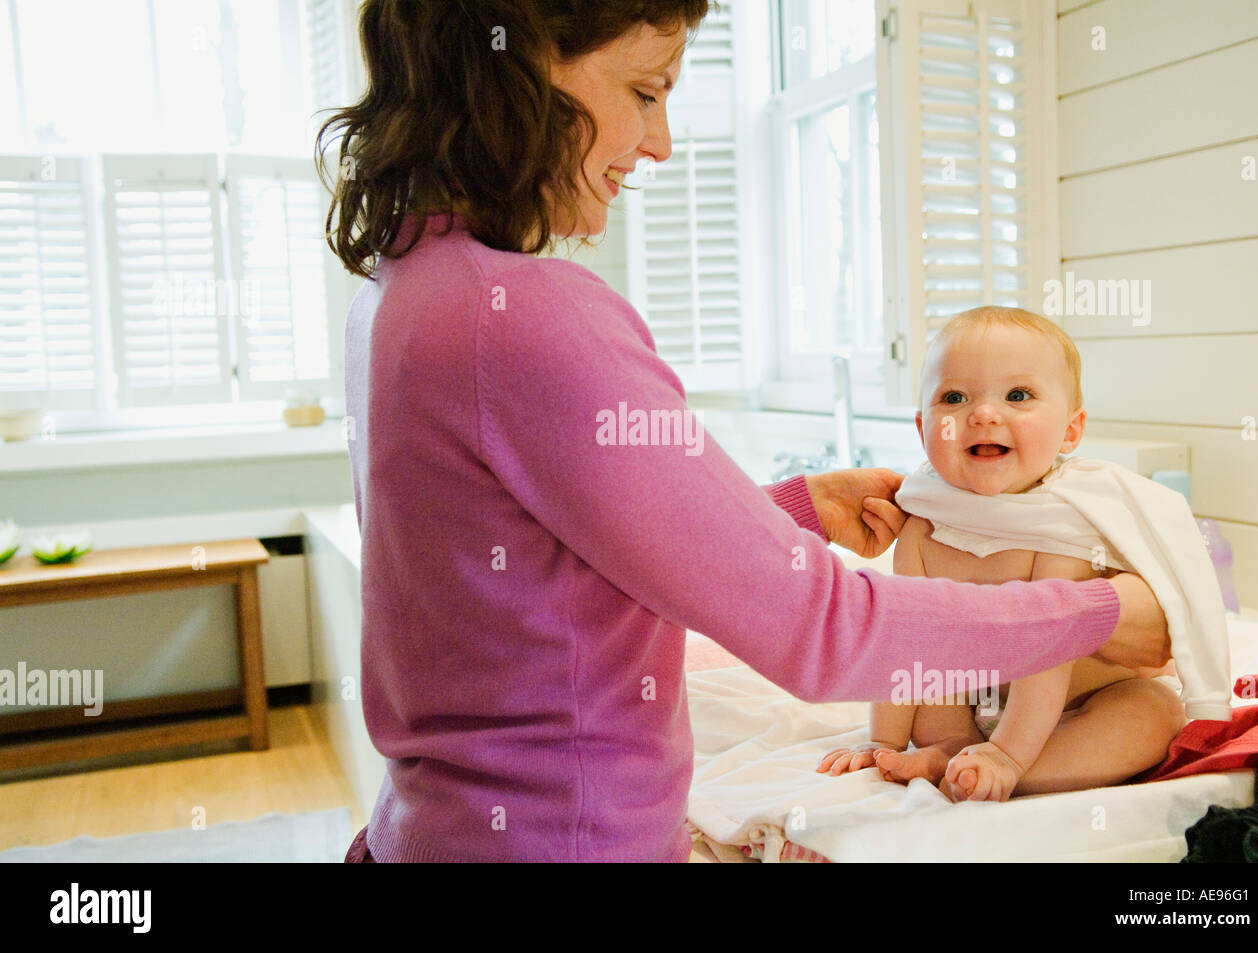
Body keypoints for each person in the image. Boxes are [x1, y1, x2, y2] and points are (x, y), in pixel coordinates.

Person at [318, 0, 1171, 862]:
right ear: (520, 64)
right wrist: (1094, 615)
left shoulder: (399, 298)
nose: (662, 142)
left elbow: (549, 568)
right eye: (646, 92)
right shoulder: (528, 319)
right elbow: (822, 630)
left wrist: (795, 510)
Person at [817, 308, 1194, 802]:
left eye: (1018, 395)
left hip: (1086, 699)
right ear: (921, 429)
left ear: (1070, 432)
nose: (984, 414)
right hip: (979, 703)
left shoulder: (1064, 528)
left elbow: (1046, 654)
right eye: (954, 397)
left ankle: (996, 770)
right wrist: (882, 739)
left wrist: (1009, 756)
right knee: (934, 682)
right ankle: (955, 749)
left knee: (1155, 715)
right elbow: (904, 640)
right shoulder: (924, 530)